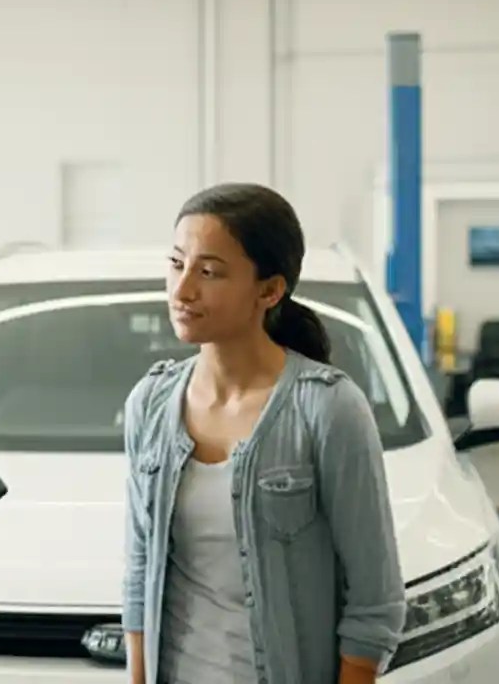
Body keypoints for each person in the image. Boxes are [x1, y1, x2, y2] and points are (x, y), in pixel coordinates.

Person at [121, 183, 406, 684]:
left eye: (209, 272)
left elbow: (374, 602)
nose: (182, 290)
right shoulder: (151, 403)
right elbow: (140, 572)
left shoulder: (328, 408)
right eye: (177, 263)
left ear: (269, 290)